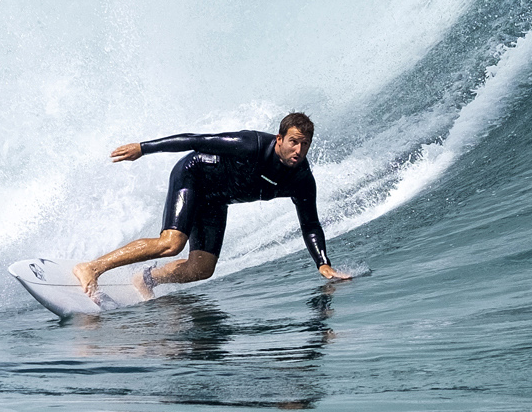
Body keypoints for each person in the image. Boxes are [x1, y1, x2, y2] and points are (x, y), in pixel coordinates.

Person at [73, 112, 352, 297]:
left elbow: (311, 224)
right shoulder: (250, 144)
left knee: (202, 268)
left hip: (217, 199)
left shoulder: (302, 179)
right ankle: (92, 267)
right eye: (293, 142)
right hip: (194, 175)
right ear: (280, 139)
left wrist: (323, 264)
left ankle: (146, 279)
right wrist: (144, 148)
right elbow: (197, 140)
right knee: (171, 243)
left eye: (305, 145)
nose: (299, 151)